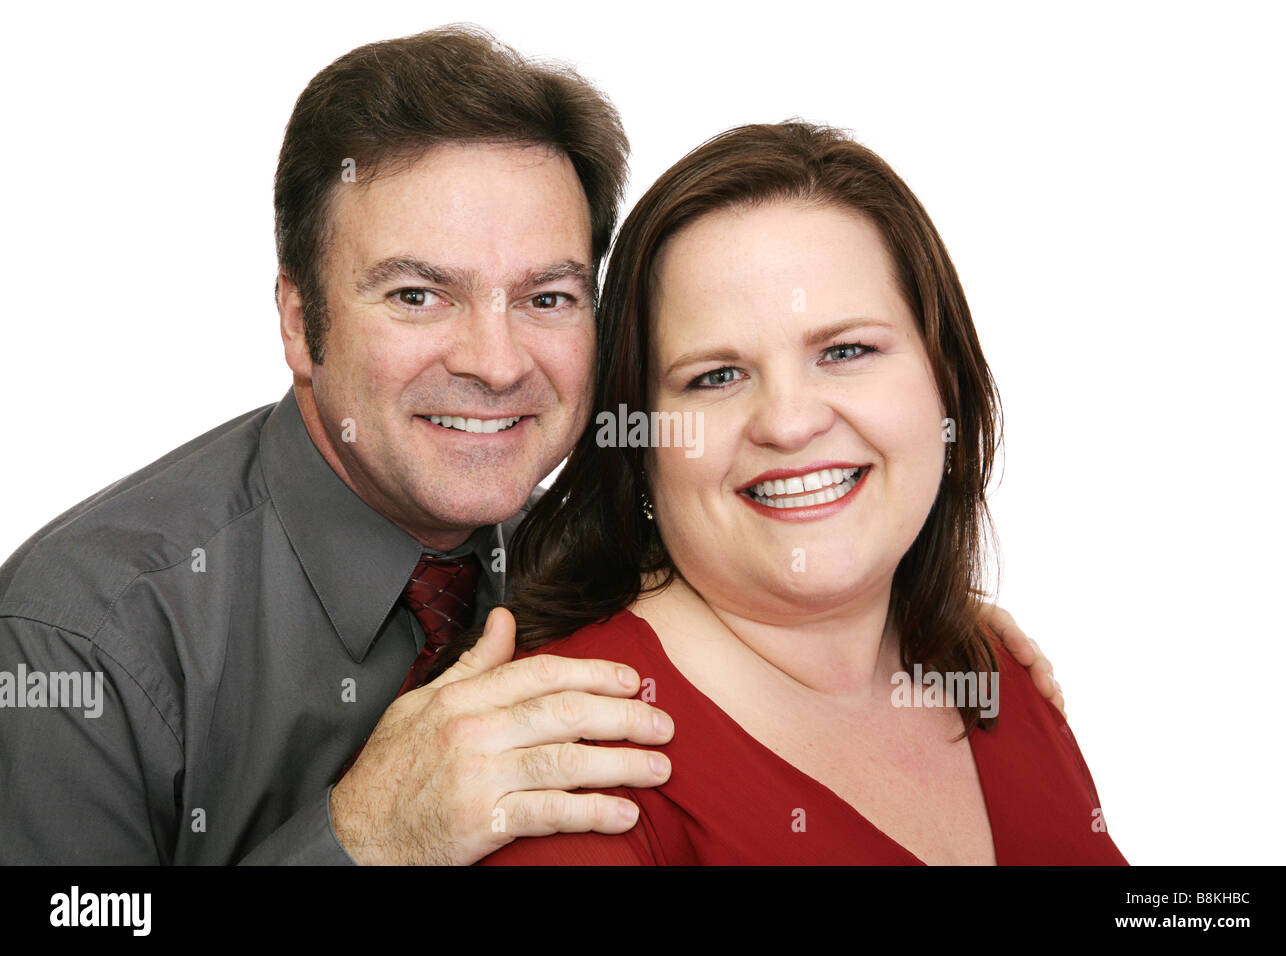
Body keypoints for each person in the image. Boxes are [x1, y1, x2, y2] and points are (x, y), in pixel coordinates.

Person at [0, 29, 1063, 866]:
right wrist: (358, 841)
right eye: (418, 293)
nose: (497, 362)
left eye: (547, 295)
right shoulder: (77, 640)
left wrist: (863, 607)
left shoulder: (563, 528)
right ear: (297, 320)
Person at [472, 122, 1124, 865]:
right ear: (638, 441)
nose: (788, 423)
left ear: (945, 382)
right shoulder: (572, 764)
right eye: (715, 376)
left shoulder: (998, 676)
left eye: (846, 351)